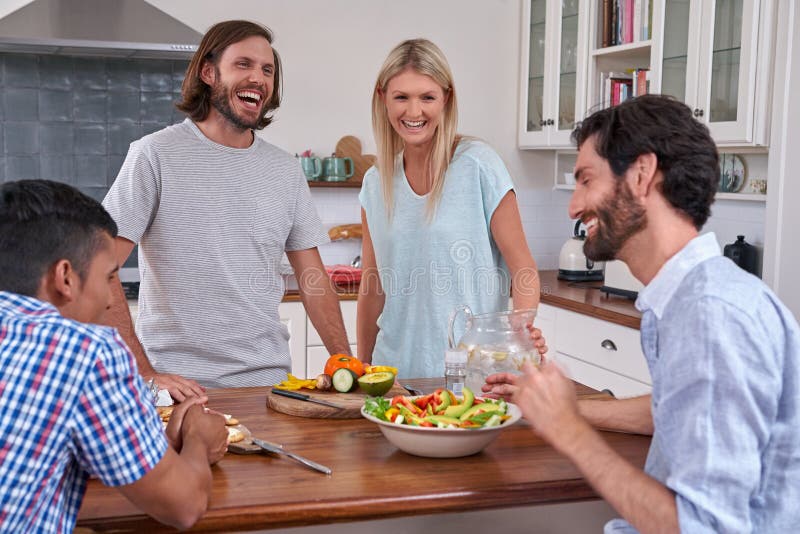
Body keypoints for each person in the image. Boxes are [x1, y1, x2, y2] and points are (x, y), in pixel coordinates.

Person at [484, 94, 800, 532]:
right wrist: (555, 408)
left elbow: (702, 528)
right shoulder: (679, 299)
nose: (573, 206)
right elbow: (672, 414)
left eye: (586, 181)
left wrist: (570, 433)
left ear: (641, 174)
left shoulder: (712, 317)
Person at [102, 20, 351, 396]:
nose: (259, 78)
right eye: (244, 64)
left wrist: (348, 365)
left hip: (268, 386)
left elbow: (313, 282)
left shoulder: (284, 170)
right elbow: (98, 268)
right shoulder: (154, 155)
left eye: (267, 70)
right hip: (179, 391)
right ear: (208, 72)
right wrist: (143, 372)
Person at [0, 180, 228, 533]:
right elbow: (184, 506)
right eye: (108, 278)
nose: (110, 299)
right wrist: (200, 439)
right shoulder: (85, 350)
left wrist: (158, 444)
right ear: (65, 277)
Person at [357, 39, 546, 379]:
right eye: (401, 97)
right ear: (382, 98)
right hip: (394, 377)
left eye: (427, 97)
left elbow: (524, 269)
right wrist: (362, 370)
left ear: (446, 99)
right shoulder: (375, 182)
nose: (414, 112)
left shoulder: (478, 165)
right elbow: (372, 289)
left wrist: (520, 328)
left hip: (473, 377)